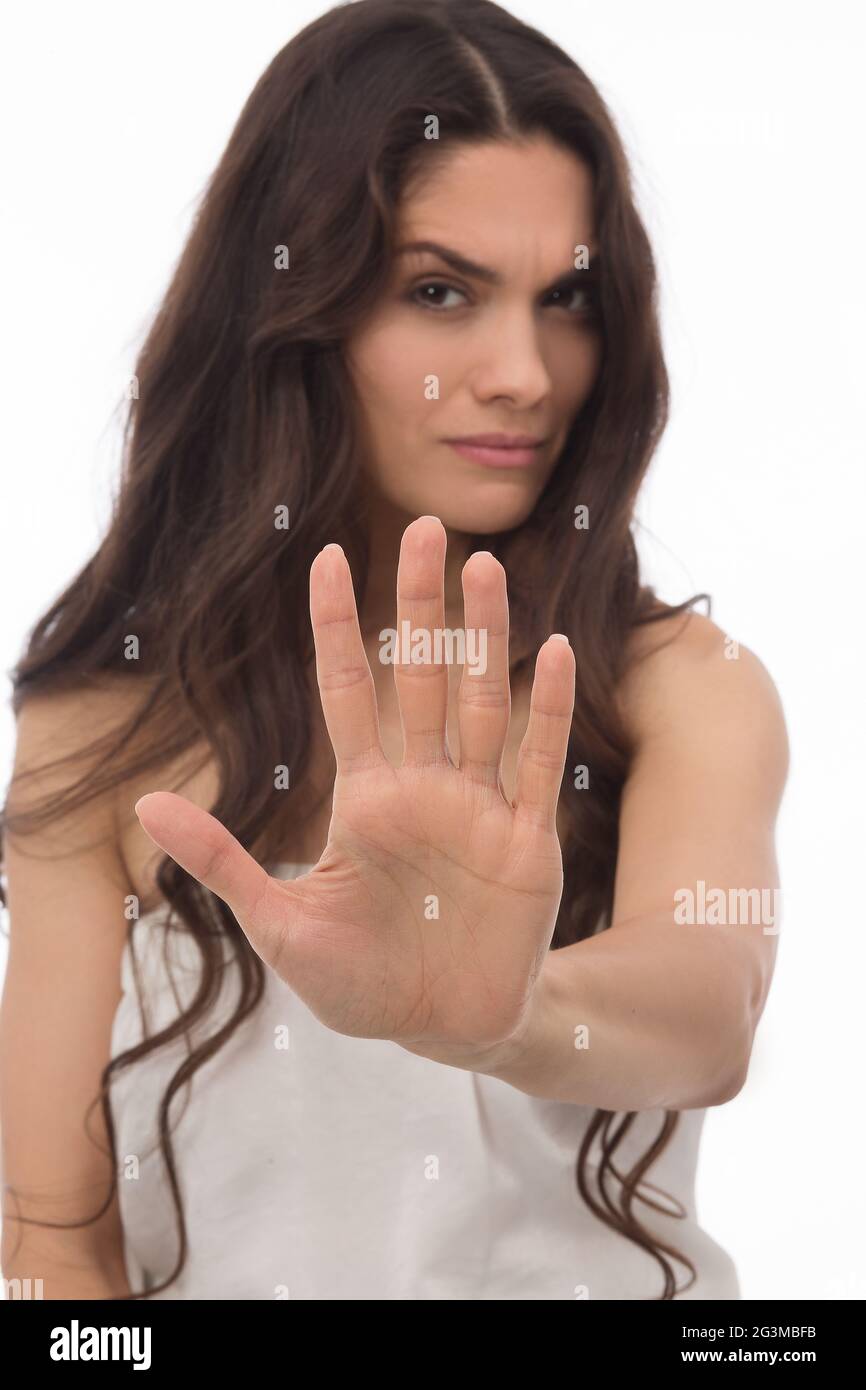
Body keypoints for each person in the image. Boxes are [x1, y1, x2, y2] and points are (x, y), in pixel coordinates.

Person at [0, 0, 788, 1301]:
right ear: (292, 306)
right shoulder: (102, 721)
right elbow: (51, 1250)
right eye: (439, 291)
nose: (525, 371)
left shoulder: (680, 688)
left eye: (566, 299)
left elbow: (710, 1007)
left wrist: (503, 1013)